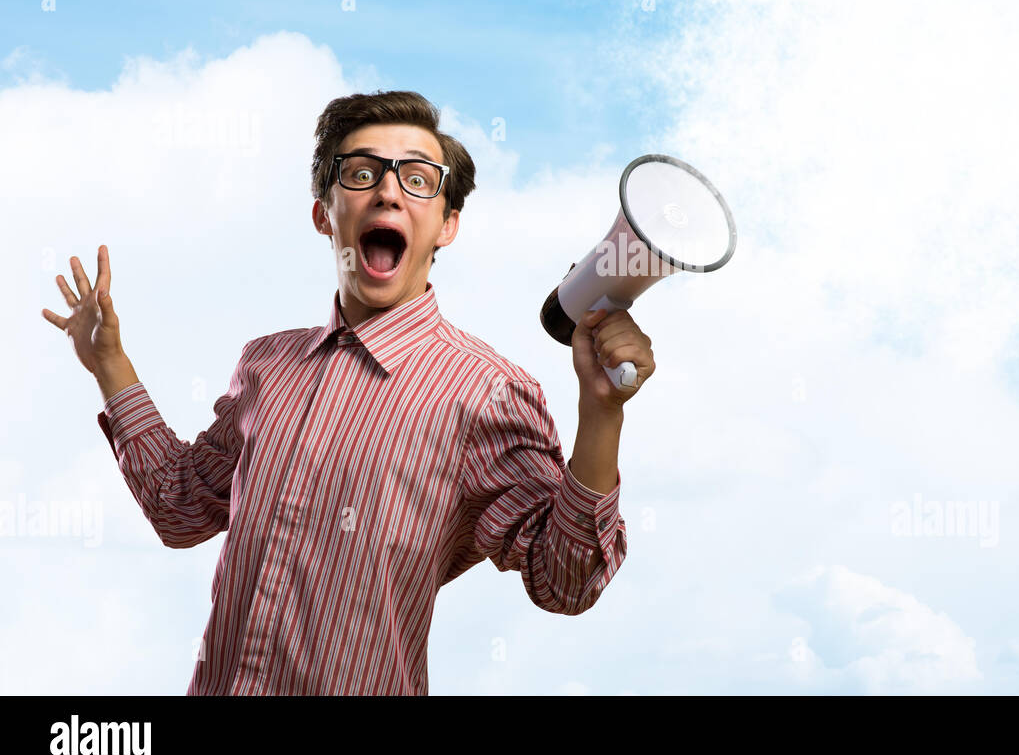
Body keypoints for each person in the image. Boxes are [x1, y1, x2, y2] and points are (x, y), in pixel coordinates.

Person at [41, 90, 652, 695]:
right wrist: (108, 362)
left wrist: (601, 414)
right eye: (362, 173)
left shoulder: (488, 393)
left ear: (447, 225)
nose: (388, 191)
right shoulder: (266, 364)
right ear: (324, 214)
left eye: (418, 179)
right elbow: (179, 508)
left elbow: (566, 583)